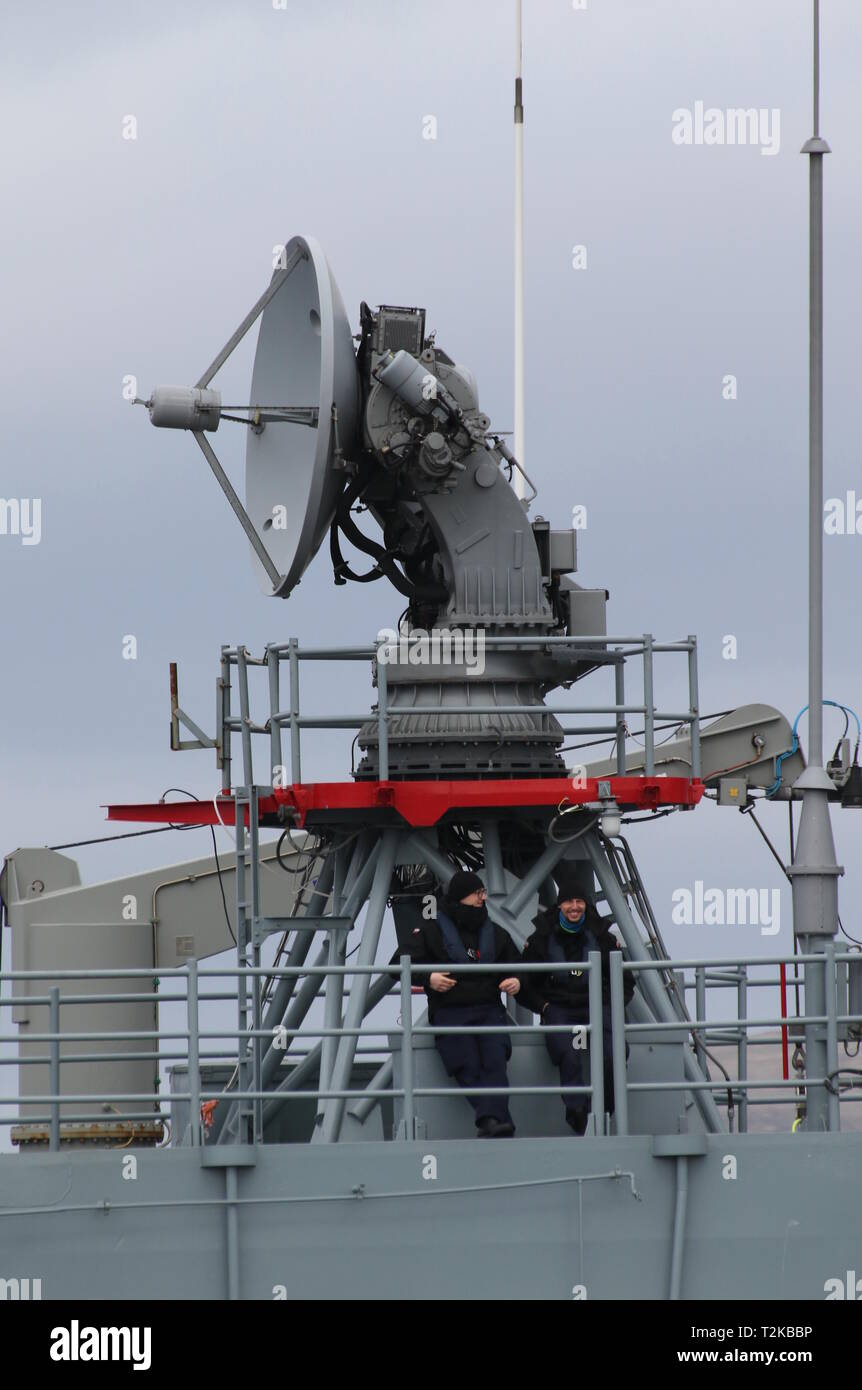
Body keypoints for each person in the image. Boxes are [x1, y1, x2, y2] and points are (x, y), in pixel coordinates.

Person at [519, 863, 634, 1135]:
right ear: (559, 906)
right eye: (568, 901)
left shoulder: (602, 938)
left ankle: (605, 1110)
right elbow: (524, 981)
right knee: (567, 1055)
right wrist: (543, 1007)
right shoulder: (541, 939)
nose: (574, 907)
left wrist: (612, 1006)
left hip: (596, 1005)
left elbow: (625, 980)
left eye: (579, 901)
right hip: (558, 1006)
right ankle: (577, 1112)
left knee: (614, 1052)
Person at [409, 869, 522, 1137]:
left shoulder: (495, 933)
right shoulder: (431, 932)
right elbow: (399, 965)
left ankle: (491, 1122)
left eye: (483, 892)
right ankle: (495, 1120)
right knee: (466, 1062)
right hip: (450, 1010)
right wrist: (429, 978)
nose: (483, 898)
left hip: (488, 1009)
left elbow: (518, 966)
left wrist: (517, 980)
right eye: (478, 893)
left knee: (495, 1059)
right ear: (462, 897)